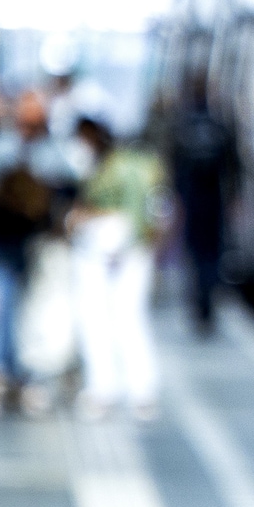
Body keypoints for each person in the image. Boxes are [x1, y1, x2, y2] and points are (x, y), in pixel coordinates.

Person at [0, 90, 76, 418]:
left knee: (32, 317)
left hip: (37, 249)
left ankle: (27, 378)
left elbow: (71, 195)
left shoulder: (55, 154)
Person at [68, 117, 163, 419]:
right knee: (123, 318)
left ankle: (111, 391)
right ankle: (135, 392)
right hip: (129, 250)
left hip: (114, 249)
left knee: (106, 319)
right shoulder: (138, 164)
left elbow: (127, 211)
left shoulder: (115, 166)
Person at [165, 78, 236, 336]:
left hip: (191, 201)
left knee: (194, 254)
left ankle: (199, 304)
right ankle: (208, 304)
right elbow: (233, 165)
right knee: (212, 254)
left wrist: (175, 199)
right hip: (214, 200)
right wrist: (233, 197)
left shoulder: (181, 128)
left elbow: (173, 167)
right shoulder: (219, 127)